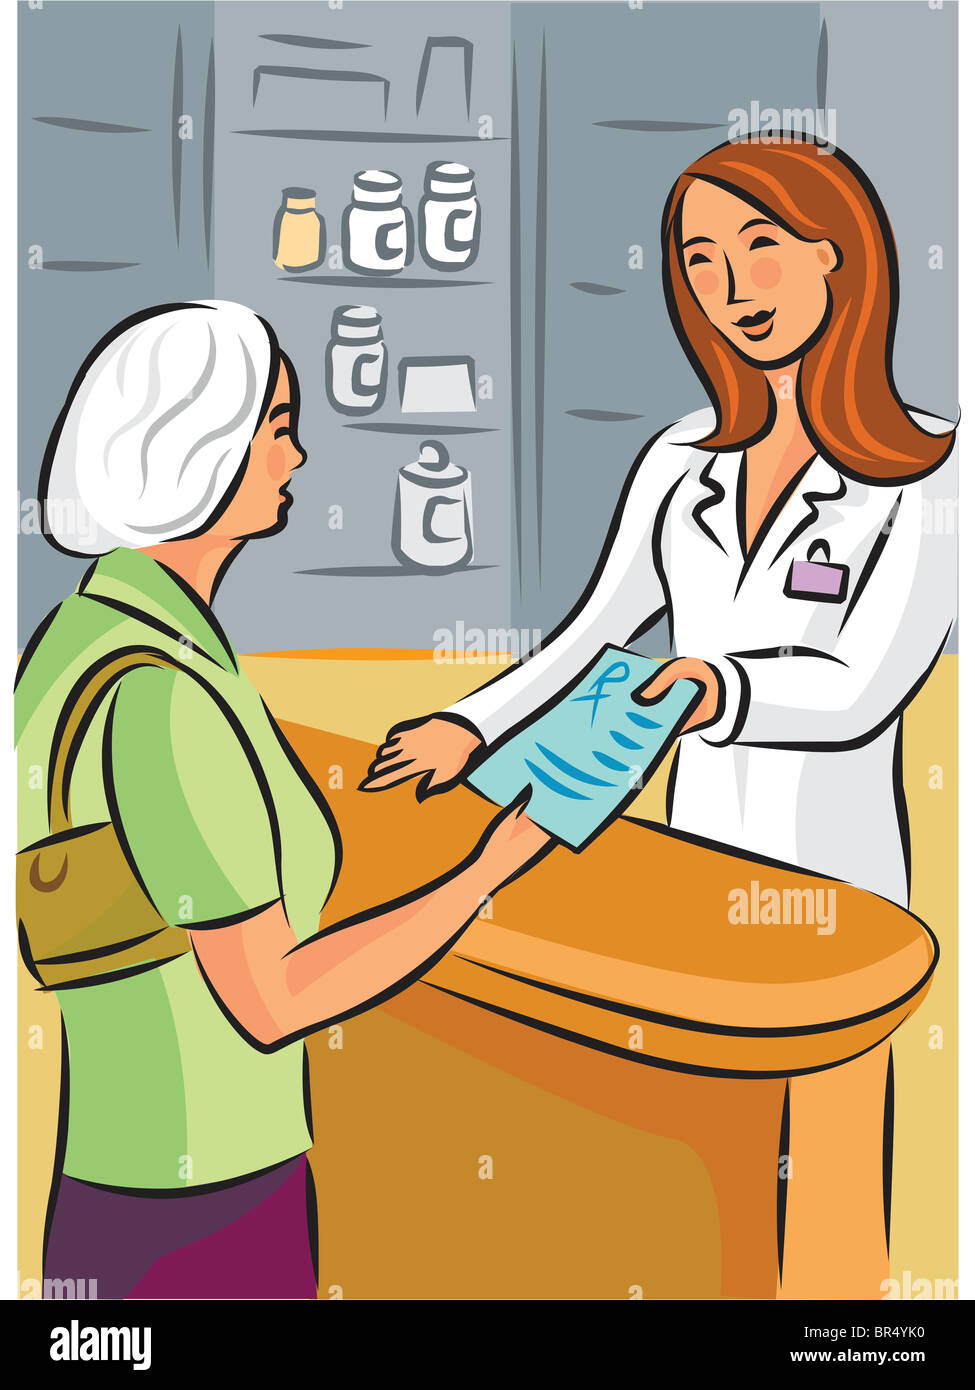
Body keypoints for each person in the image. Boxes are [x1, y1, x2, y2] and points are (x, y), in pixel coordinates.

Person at [16, 301, 550, 1300]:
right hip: (209, 1206)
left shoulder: (74, 640)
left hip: (103, 1189)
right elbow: (274, 1002)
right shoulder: (168, 696)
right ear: (197, 449)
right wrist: (486, 870)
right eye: (277, 428)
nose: (297, 457)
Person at [362, 135, 957, 908]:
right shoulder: (681, 453)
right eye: (700, 258)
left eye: (760, 244)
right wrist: (471, 724)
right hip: (699, 844)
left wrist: (720, 688)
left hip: (835, 868)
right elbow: (595, 630)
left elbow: (863, 691)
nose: (733, 286)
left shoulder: (933, 468)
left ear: (833, 253)